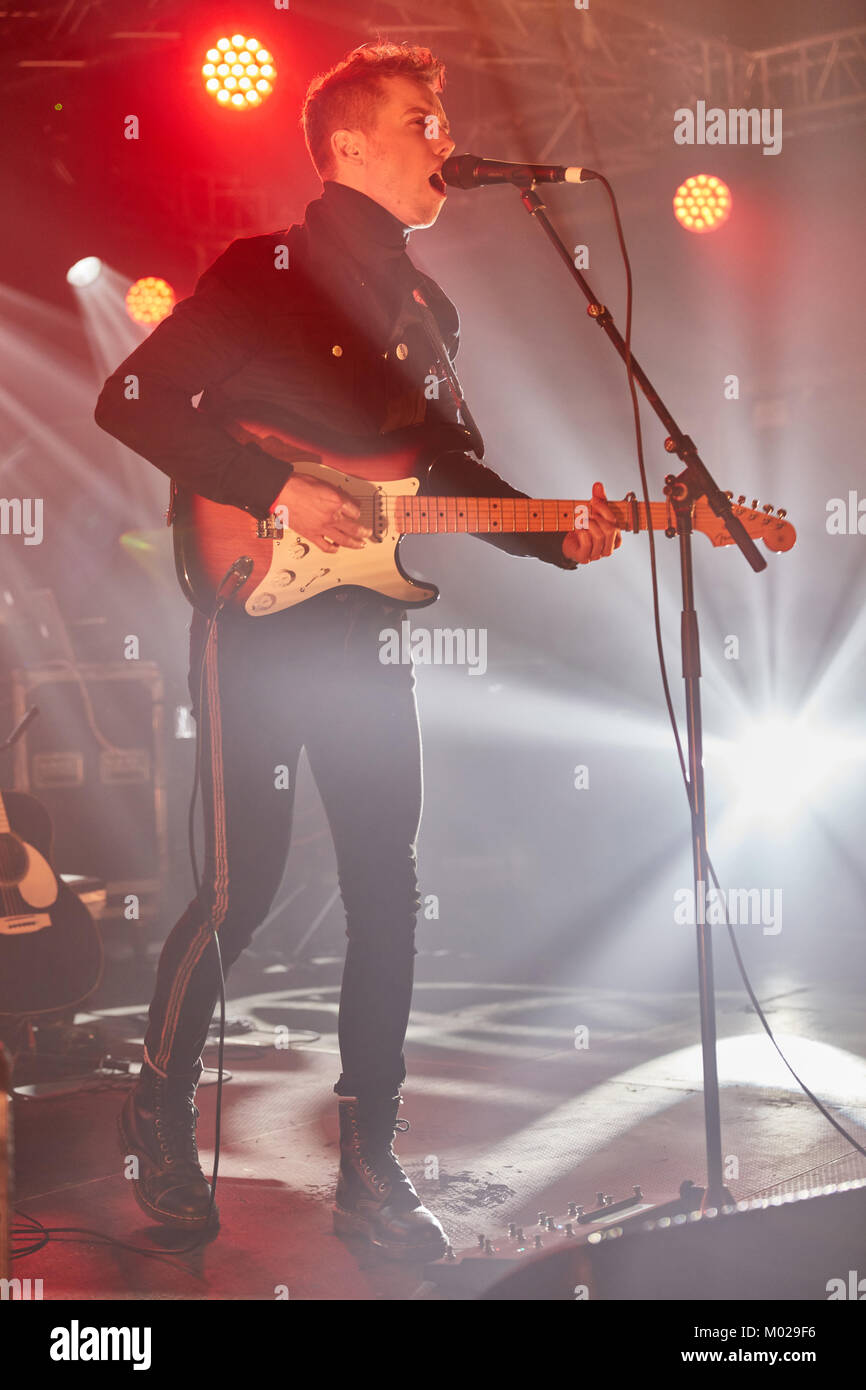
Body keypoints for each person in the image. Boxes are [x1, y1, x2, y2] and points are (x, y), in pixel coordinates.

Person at [94, 41, 621, 1261]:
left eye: (444, 121)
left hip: (366, 633)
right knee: (241, 886)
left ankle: (370, 1161)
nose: (446, 138)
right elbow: (132, 401)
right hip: (258, 615)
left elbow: (438, 476)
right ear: (348, 146)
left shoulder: (425, 307)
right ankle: (159, 1110)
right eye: (424, 120)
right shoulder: (261, 273)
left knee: (390, 886)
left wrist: (559, 535)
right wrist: (276, 485)